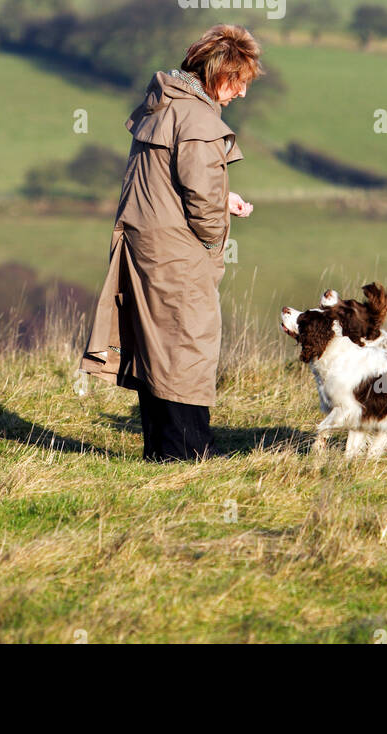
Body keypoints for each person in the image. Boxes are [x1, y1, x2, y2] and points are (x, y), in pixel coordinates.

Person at [79, 24, 262, 461]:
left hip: (145, 242)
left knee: (158, 347)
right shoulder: (198, 120)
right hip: (177, 252)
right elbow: (199, 194)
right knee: (188, 345)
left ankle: (161, 450)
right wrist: (214, 239)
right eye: (238, 83)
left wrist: (224, 196)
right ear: (219, 74)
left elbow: (170, 177)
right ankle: (189, 451)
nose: (241, 94)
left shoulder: (164, 103)